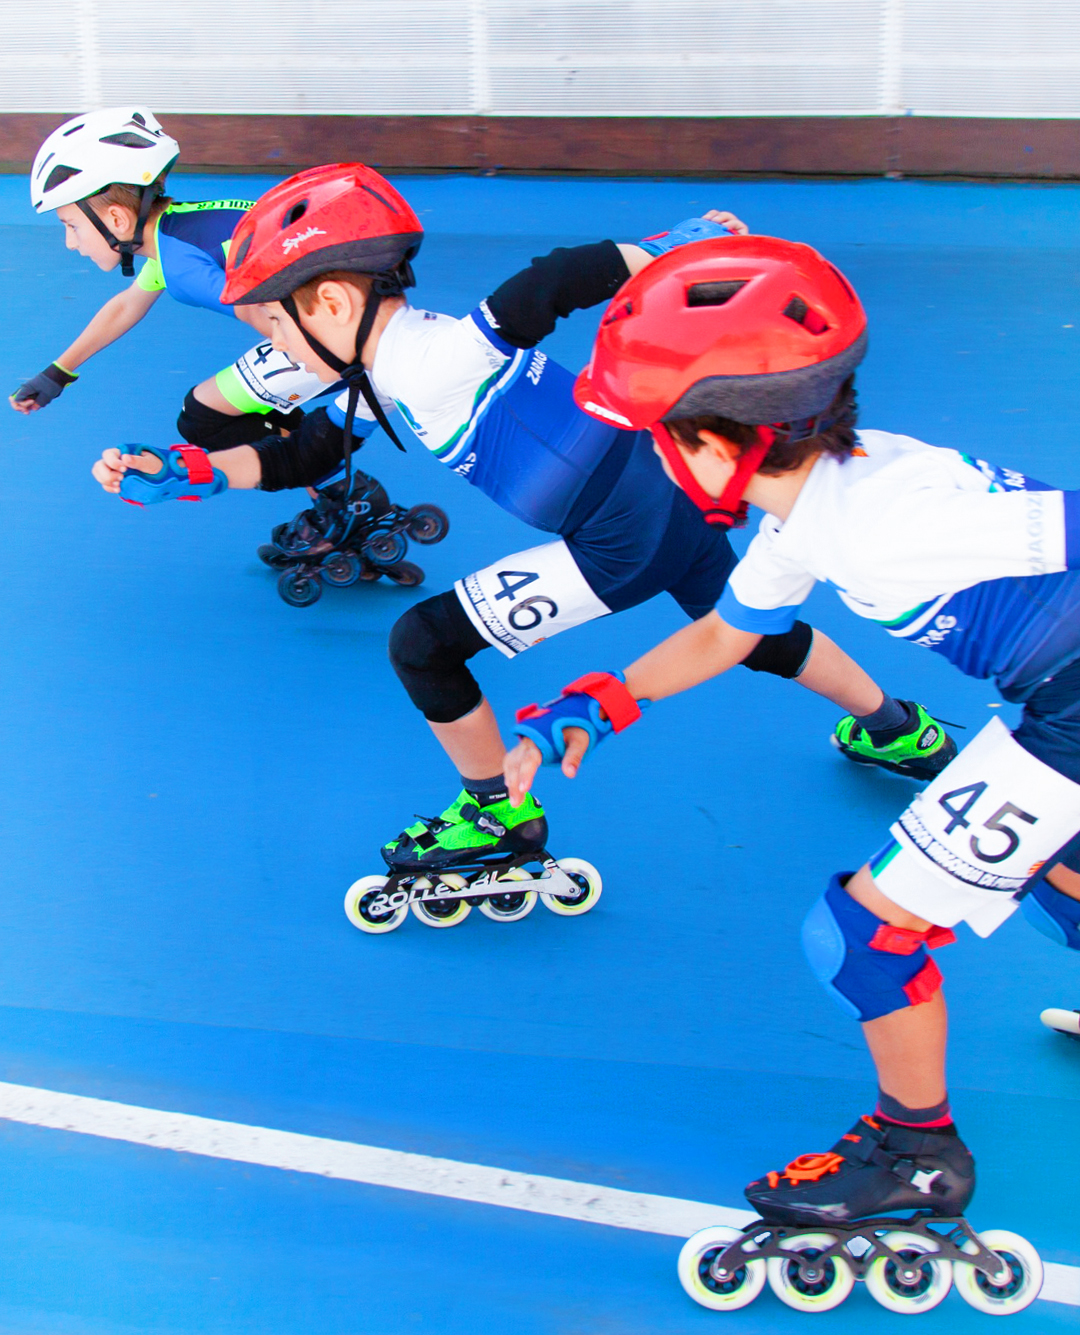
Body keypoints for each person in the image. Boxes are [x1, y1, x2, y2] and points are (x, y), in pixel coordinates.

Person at [93, 165, 956, 908]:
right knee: (751, 629)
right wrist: (194, 471)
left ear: (331, 301)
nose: (272, 345)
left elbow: (551, 283)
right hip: (667, 491)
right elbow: (309, 452)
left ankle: (495, 814)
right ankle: (895, 727)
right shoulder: (392, 366)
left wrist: (670, 248)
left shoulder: (432, 361)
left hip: (617, 536)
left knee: (424, 644)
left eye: (277, 326)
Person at [505, 234, 1080, 1230]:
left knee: (863, 934)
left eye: (657, 436)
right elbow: (727, 632)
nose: (653, 455)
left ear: (715, 444)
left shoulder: (888, 521)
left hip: (1069, 715)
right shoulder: (823, 499)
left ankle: (916, 1156)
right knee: (1053, 869)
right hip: (1056, 705)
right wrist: (600, 702)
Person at [10, 105, 326, 448]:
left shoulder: (180, 264)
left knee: (203, 418)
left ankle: (329, 466)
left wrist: (341, 364)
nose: (70, 243)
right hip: (333, 301)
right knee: (245, 403)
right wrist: (58, 372)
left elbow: (255, 311)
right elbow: (126, 306)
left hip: (329, 327)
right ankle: (324, 462)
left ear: (117, 220)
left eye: (72, 226)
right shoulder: (173, 235)